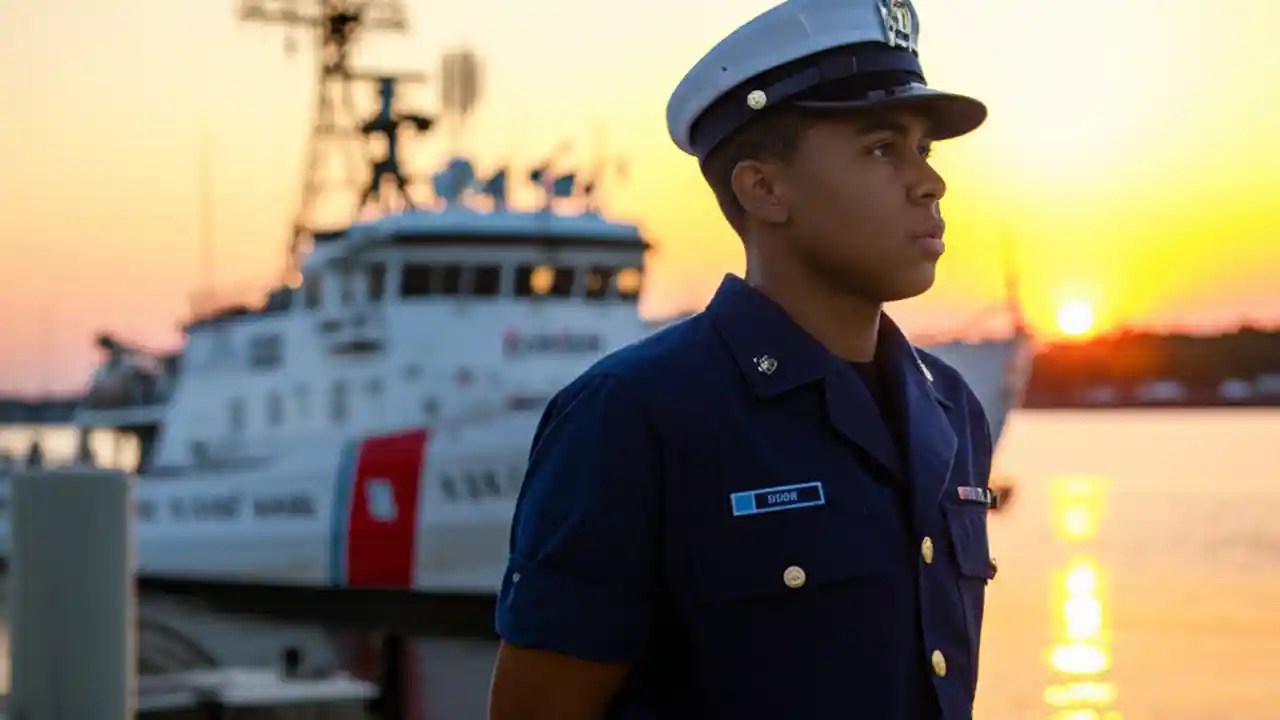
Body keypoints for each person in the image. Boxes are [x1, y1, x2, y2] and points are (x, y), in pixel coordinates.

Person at [486, 0, 998, 717]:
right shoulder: (636, 415)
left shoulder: (949, 408)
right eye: (883, 149)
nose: (928, 182)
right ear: (764, 189)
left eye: (926, 150)